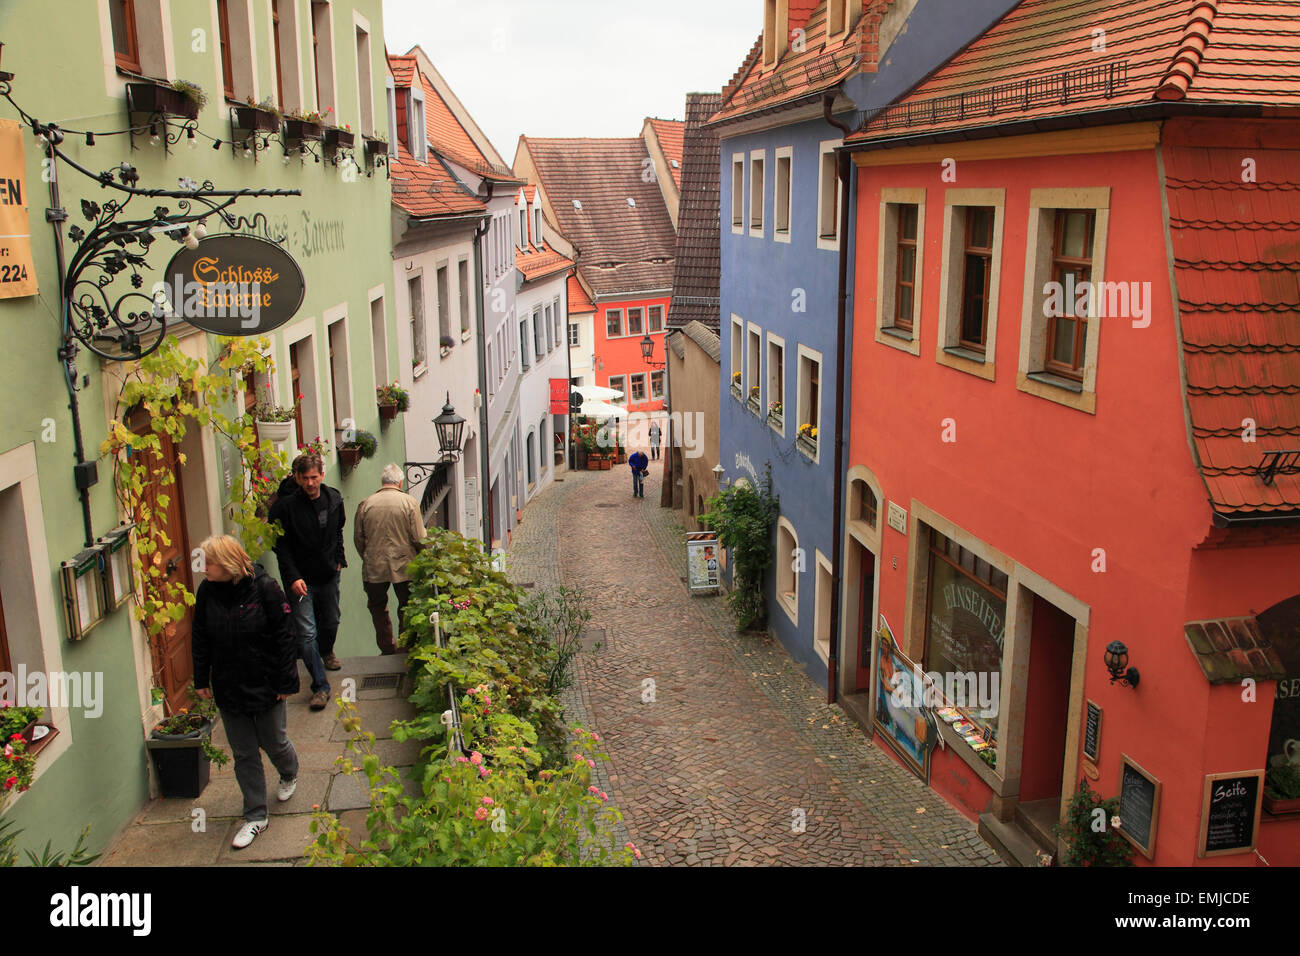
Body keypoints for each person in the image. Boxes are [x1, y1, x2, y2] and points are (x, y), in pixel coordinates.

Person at [191, 535, 299, 851]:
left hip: (265, 682)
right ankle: (255, 816)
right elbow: (200, 638)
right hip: (228, 685)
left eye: (208, 562)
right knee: (243, 753)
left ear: (227, 564)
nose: (203, 567)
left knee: (274, 741)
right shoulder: (207, 592)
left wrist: (284, 683)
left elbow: (284, 635)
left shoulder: (264, 588)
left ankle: (289, 772)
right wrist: (201, 680)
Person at [268, 451, 346, 710]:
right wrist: (293, 577)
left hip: (328, 574)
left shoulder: (333, 498)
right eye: (305, 478)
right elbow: (281, 547)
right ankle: (320, 686)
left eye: (314, 477)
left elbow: (337, 531)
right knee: (305, 633)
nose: (311, 483)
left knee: (332, 618)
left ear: (322, 475)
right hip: (301, 581)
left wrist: (339, 558)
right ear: (298, 479)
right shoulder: (285, 508)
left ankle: (326, 651)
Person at [354, 463, 426, 655]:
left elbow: (358, 539)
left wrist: (368, 556)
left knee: (378, 607)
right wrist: (422, 557)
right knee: (407, 606)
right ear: (400, 482)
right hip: (404, 564)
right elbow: (419, 537)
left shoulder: (366, 503)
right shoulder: (409, 502)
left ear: (383, 482)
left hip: (374, 565)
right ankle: (404, 647)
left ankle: (387, 647)